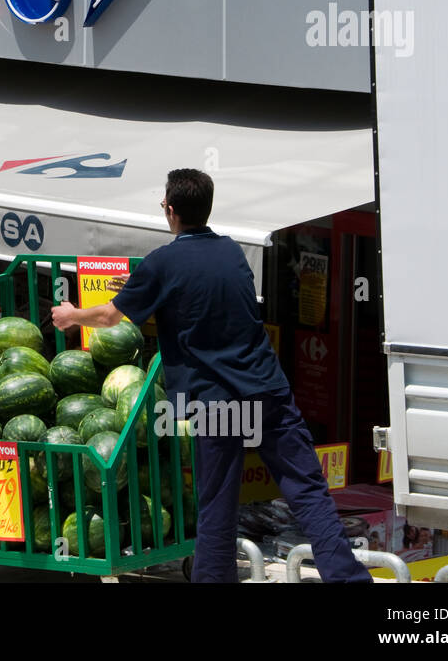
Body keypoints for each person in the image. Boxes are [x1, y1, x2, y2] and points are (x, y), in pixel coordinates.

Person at [52, 169, 371, 584]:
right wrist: (146, 288)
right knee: (306, 489)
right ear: (208, 208)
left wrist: (72, 314)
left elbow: (112, 315)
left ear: (170, 210)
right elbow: (206, 293)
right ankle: (347, 579)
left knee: (218, 504)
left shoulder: (161, 262)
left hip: (218, 403)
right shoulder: (232, 251)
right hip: (267, 389)